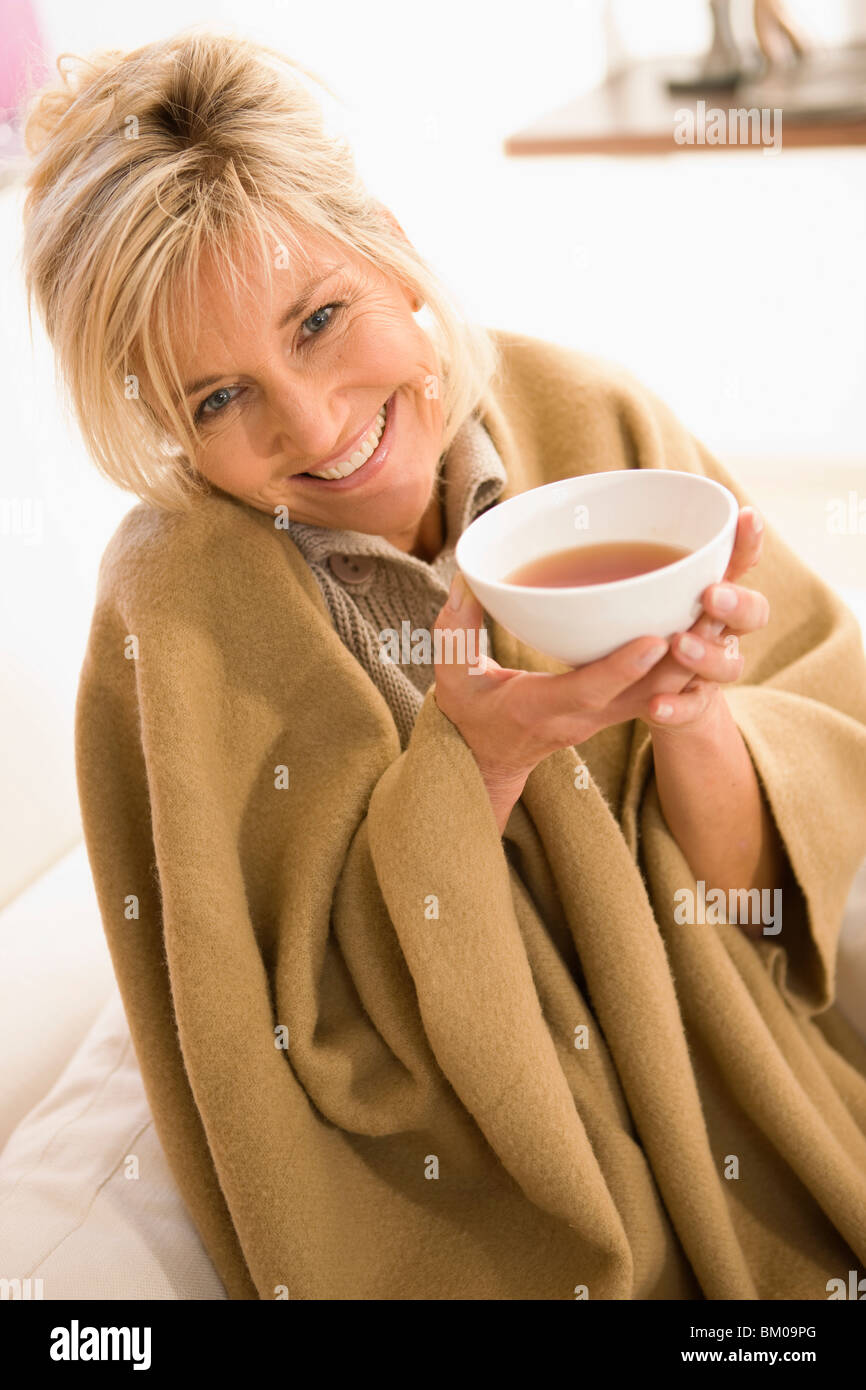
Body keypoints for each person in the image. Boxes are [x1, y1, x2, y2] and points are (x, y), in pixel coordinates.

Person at [20, 29, 866, 1300]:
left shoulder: (591, 419)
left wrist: (691, 709)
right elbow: (322, 1054)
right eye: (215, 399)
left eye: (318, 319)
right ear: (157, 413)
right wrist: (476, 760)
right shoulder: (174, 611)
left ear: (387, 245)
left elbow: (755, 895)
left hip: (738, 1120)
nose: (311, 425)